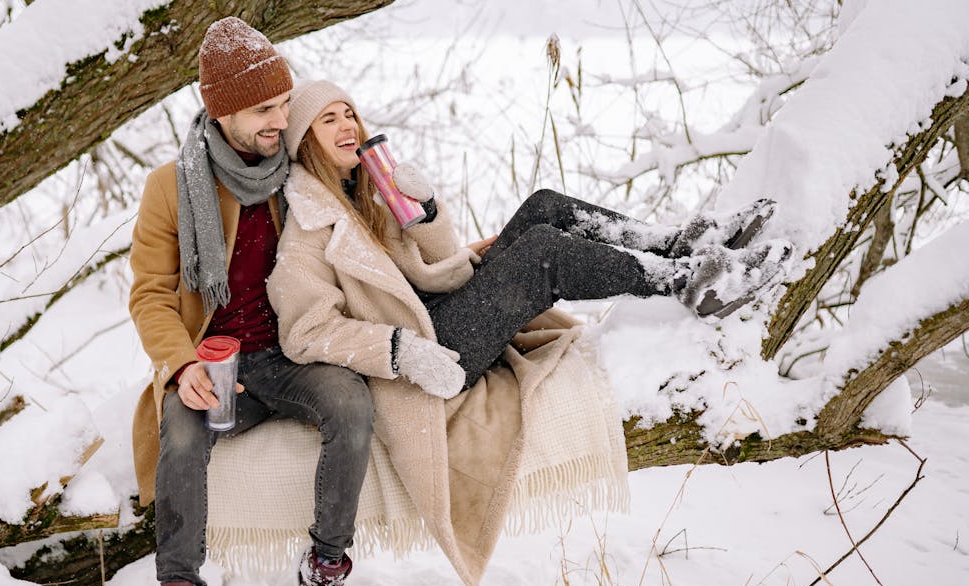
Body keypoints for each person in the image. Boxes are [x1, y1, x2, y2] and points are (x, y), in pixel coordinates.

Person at [269, 79, 791, 393]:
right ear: (304, 142)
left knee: (544, 205)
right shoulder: (306, 229)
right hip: (433, 351)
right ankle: (684, 281)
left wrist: (426, 212)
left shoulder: (365, 193)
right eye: (327, 121)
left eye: (349, 115)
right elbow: (306, 332)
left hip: (444, 309)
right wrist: (401, 350)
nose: (348, 127)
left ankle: (674, 244)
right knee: (542, 253)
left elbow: (440, 264)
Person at [127, 22, 374, 586]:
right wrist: (183, 366)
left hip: (292, 353)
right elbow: (151, 295)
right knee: (181, 436)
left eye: (286, 104)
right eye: (265, 108)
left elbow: (371, 232)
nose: (280, 119)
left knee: (351, 403)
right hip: (215, 360)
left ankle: (324, 574)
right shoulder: (171, 187)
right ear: (223, 112)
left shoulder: (295, 173)